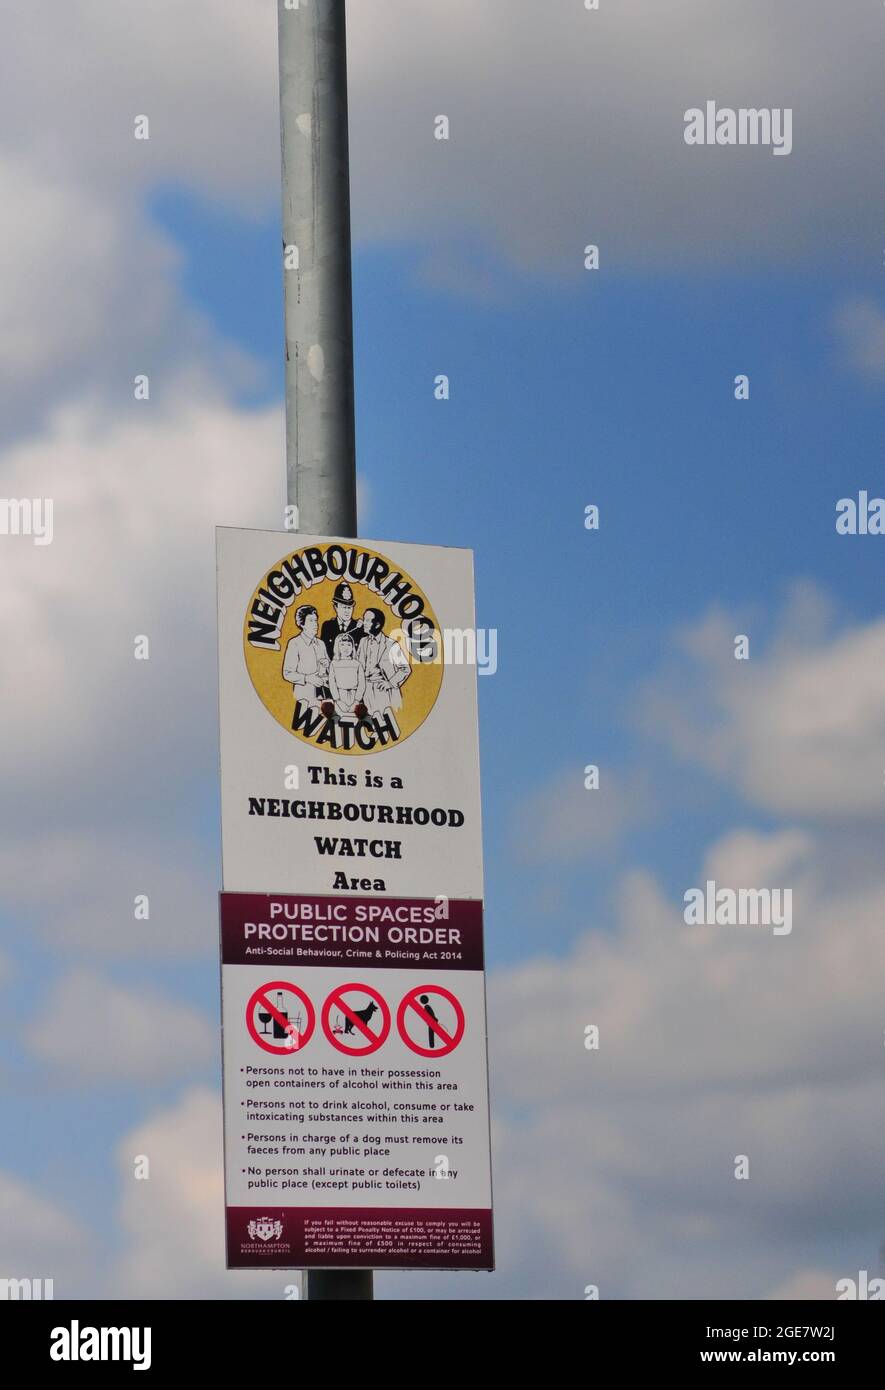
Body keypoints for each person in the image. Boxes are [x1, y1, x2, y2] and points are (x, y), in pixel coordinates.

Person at [357, 607, 412, 717]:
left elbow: (405, 669)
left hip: (384, 692)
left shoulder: (391, 644)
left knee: (386, 720)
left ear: (377, 625)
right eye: (364, 619)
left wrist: (390, 683)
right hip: (365, 690)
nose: (363, 622)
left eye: (367, 620)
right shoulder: (363, 642)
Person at [282, 605, 329, 712]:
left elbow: (329, 671)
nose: (315, 624)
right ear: (302, 624)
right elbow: (287, 673)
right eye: (311, 621)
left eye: (316, 620)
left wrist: (328, 665)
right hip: (304, 696)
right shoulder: (295, 643)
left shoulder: (321, 644)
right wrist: (308, 678)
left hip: (323, 695)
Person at [320, 582, 362, 661]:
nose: (347, 611)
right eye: (343, 607)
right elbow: (323, 652)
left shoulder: (359, 627)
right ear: (335, 607)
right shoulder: (327, 626)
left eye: (349, 608)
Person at [328, 632, 366, 718]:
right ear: (337, 646)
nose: (346, 648)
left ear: (352, 647)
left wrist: (356, 701)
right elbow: (332, 683)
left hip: (355, 696)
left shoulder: (357, 663)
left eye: (349, 645)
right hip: (340, 696)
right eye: (342, 644)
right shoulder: (334, 664)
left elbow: (362, 683)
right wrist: (338, 700)